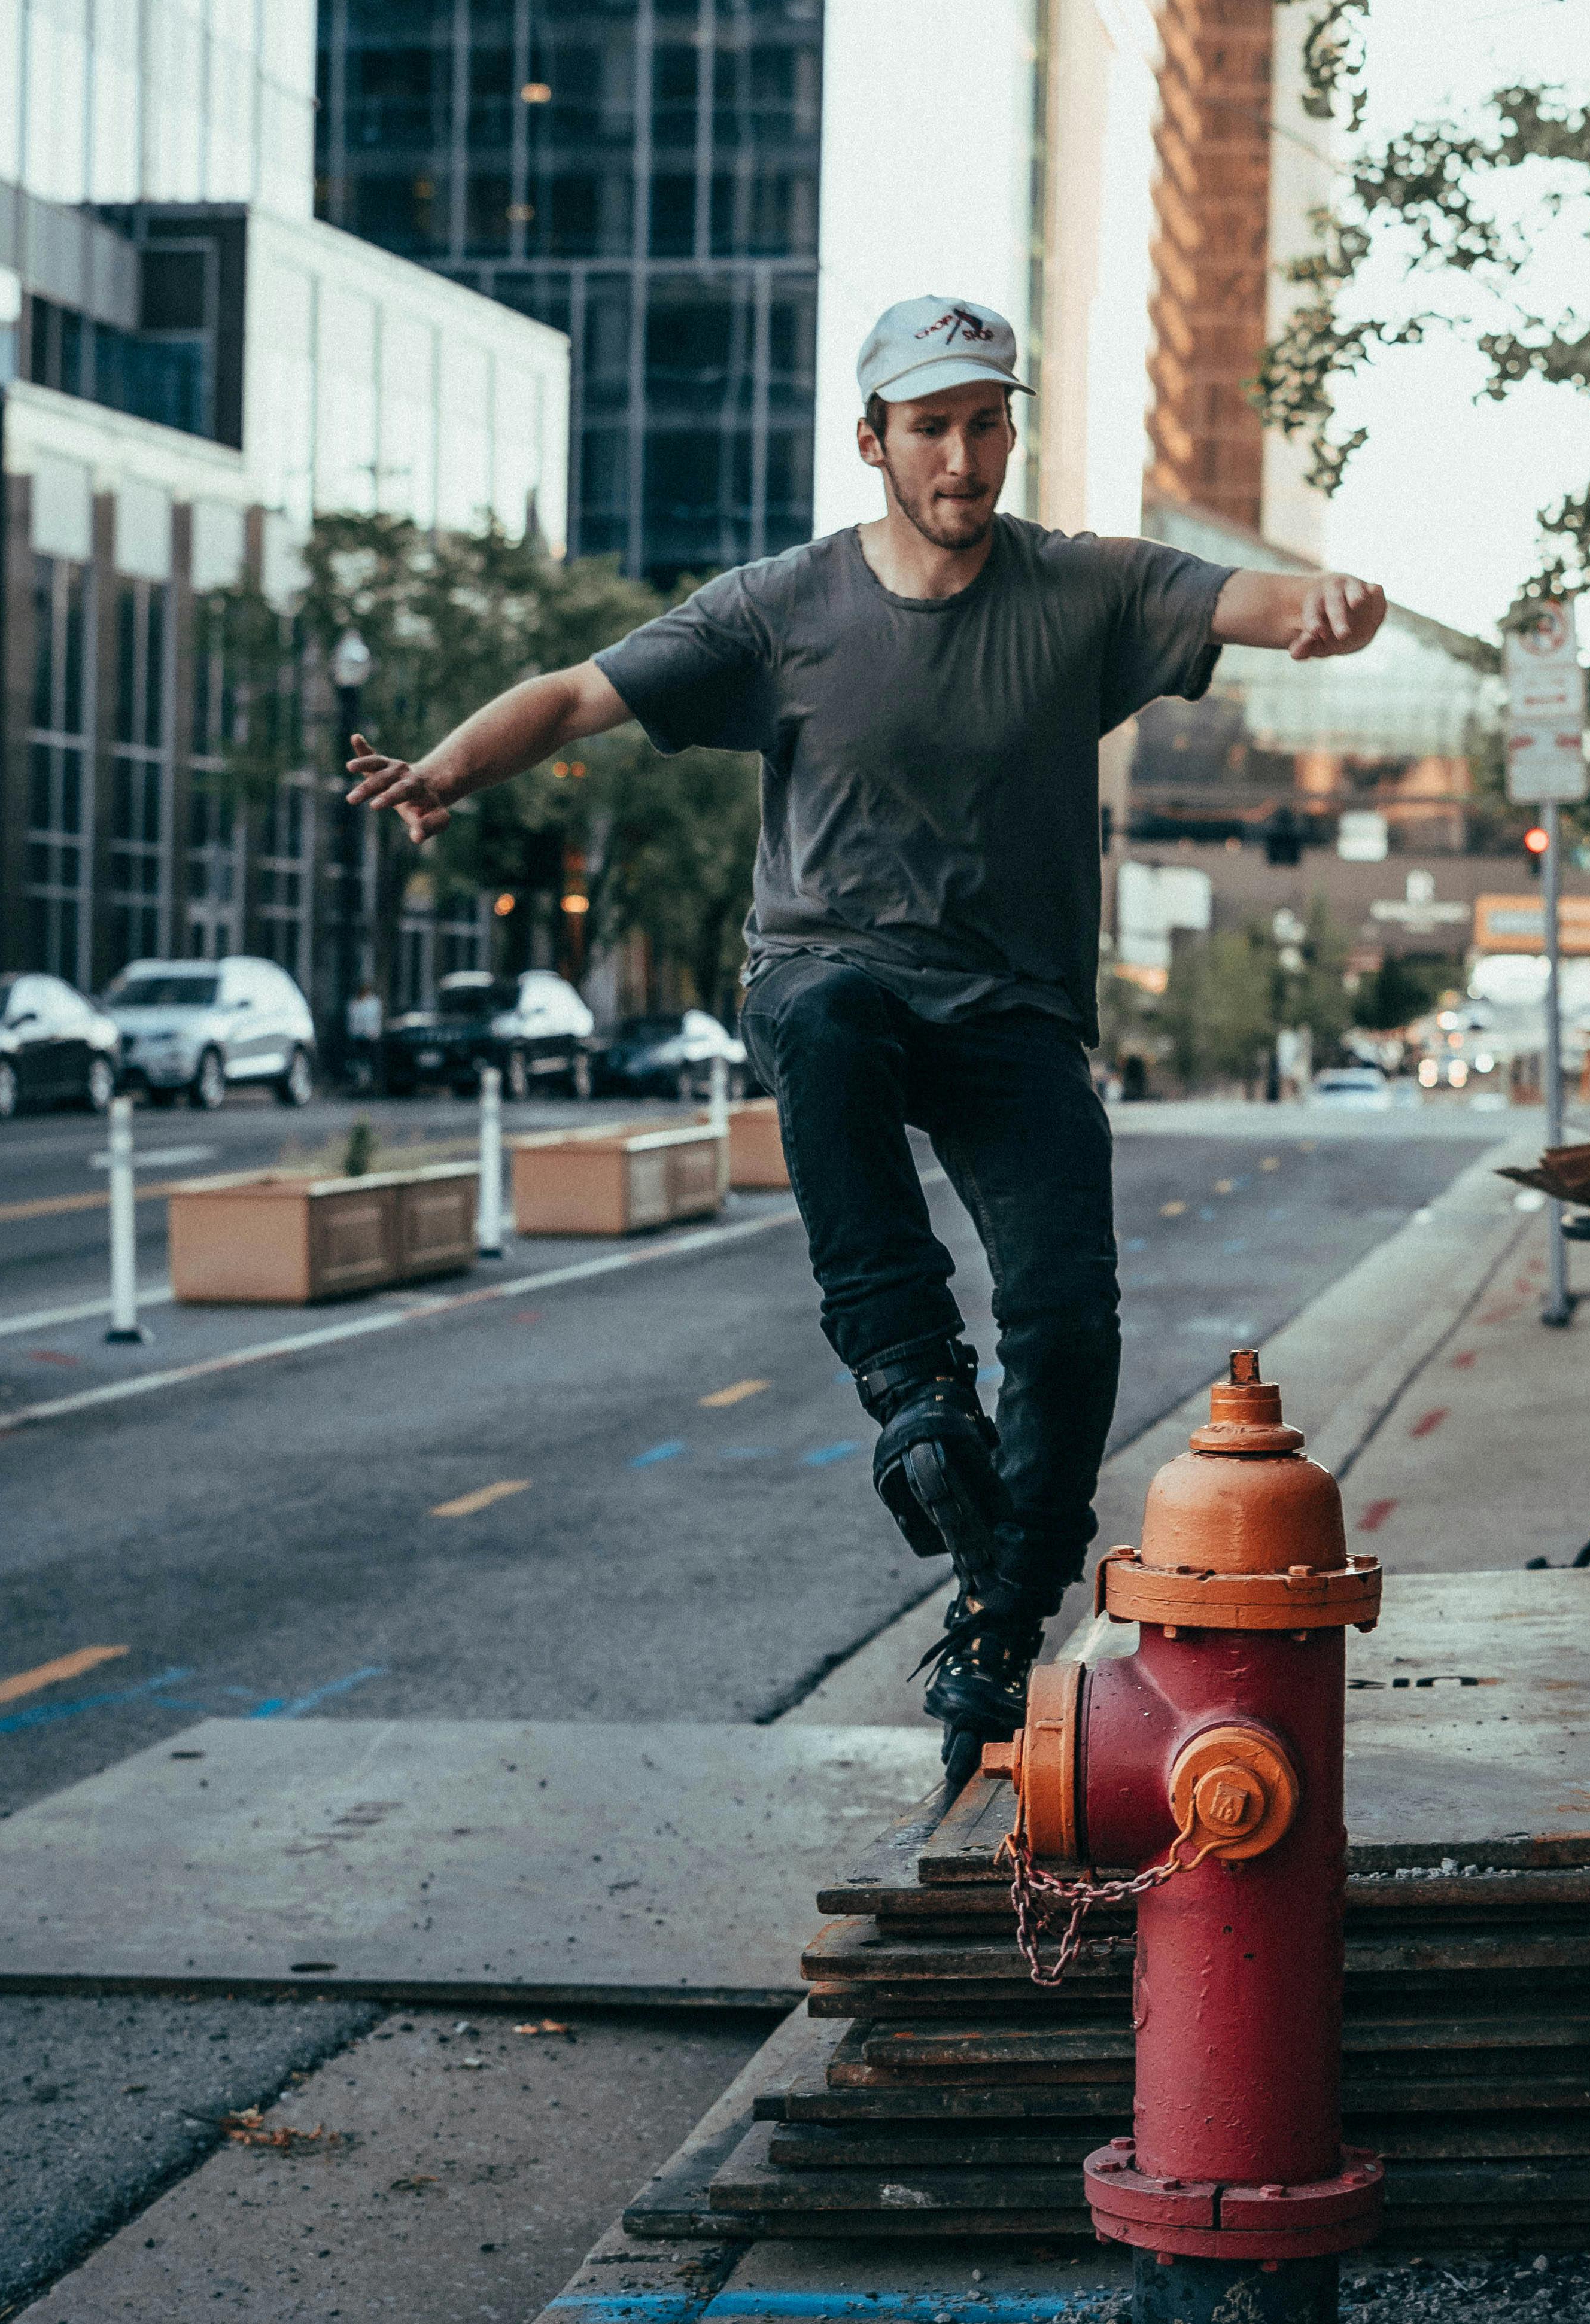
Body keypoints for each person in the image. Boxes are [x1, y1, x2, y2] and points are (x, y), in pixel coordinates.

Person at [345, 291, 1386, 1776]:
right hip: (833, 972)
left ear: (1009, 430)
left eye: (984, 425)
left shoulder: (1082, 589)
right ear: (872, 442)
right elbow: (585, 690)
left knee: (1070, 1321)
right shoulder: (782, 608)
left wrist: (1340, 611)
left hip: (1012, 1012)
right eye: (930, 432)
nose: (963, 460)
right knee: (820, 1017)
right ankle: (908, 1385)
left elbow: (1252, 604)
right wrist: (452, 761)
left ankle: (997, 1602)